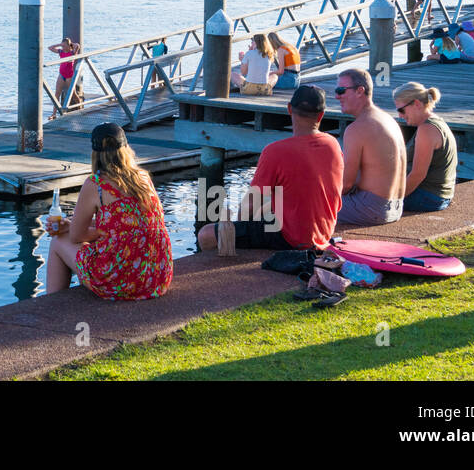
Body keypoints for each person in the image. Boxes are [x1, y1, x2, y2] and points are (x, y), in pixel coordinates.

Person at [197, 85, 343, 252]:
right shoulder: (333, 145)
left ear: (289, 109)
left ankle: (215, 267)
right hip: (323, 233)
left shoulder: (275, 151)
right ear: (322, 115)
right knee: (269, 203)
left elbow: (250, 204)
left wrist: (240, 227)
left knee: (206, 234)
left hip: (290, 238)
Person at [45, 123, 173, 298]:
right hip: (157, 277)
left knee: (59, 241)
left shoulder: (96, 184)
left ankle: (51, 306)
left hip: (121, 283)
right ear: (126, 148)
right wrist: (71, 225)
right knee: (95, 242)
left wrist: (72, 229)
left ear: (94, 154)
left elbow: (76, 237)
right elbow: (123, 223)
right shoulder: (143, 178)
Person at [334, 68, 406, 226]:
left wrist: (319, 201)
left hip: (371, 209)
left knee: (298, 203)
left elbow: (346, 184)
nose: (336, 96)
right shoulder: (388, 119)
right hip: (396, 207)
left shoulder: (356, 129)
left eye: (341, 90)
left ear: (360, 91)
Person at [394, 82, 456, 213]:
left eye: (401, 110)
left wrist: (394, 199)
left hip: (429, 197)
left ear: (416, 103)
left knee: (362, 201)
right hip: (436, 195)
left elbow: (418, 174)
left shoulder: (427, 129)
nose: (400, 115)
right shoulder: (436, 122)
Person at [47, 37, 80, 119]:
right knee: (57, 94)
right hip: (61, 75)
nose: (63, 47)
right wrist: (60, 44)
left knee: (73, 94)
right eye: (62, 46)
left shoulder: (72, 53)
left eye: (65, 46)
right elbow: (50, 48)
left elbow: (78, 45)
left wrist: (71, 44)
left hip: (69, 76)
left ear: (69, 46)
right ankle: (54, 114)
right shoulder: (61, 52)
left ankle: (80, 109)